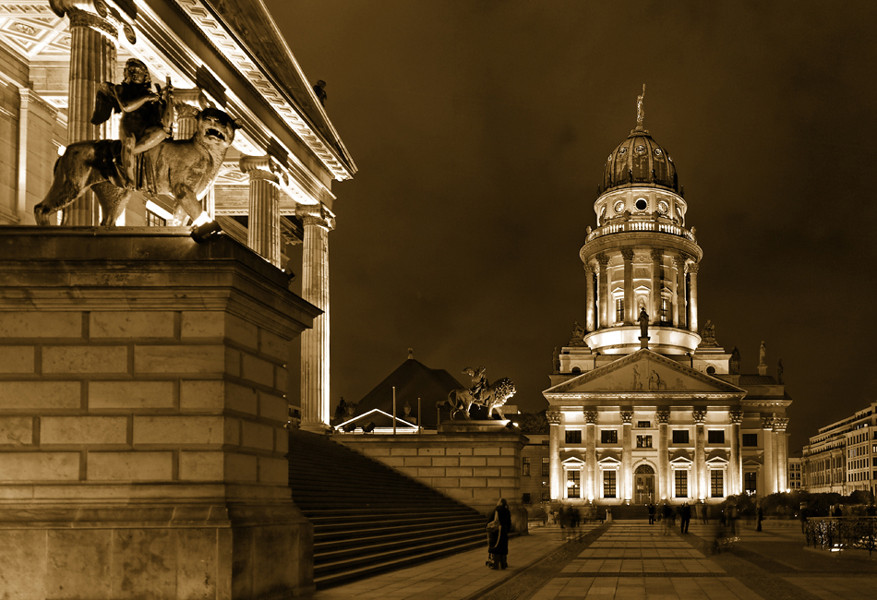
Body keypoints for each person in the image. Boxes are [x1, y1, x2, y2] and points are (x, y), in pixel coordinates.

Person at [92, 58, 173, 188]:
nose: (134, 74)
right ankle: (129, 178)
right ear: (125, 73)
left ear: (145, 76)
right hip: (129, 129)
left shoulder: (150, 95)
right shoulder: (120, 89)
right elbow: (126, 106)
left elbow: (165, 122)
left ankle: (129, 154)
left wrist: (168, 98)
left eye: (138, 71)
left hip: (145, 130)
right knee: (130, 141)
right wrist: (147, 98)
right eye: (131, 71)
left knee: (162, 132)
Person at [486, 498, 512, 570]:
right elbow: (509, 523)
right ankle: (503, 564)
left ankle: (495, 564)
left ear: (499, 503)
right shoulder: (507, 511)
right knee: (503, 548)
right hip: (504, 531)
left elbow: (490, 520)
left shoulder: (496, 510)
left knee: (495, 547)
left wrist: (488, 526)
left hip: (496, 532)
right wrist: (507, 530)